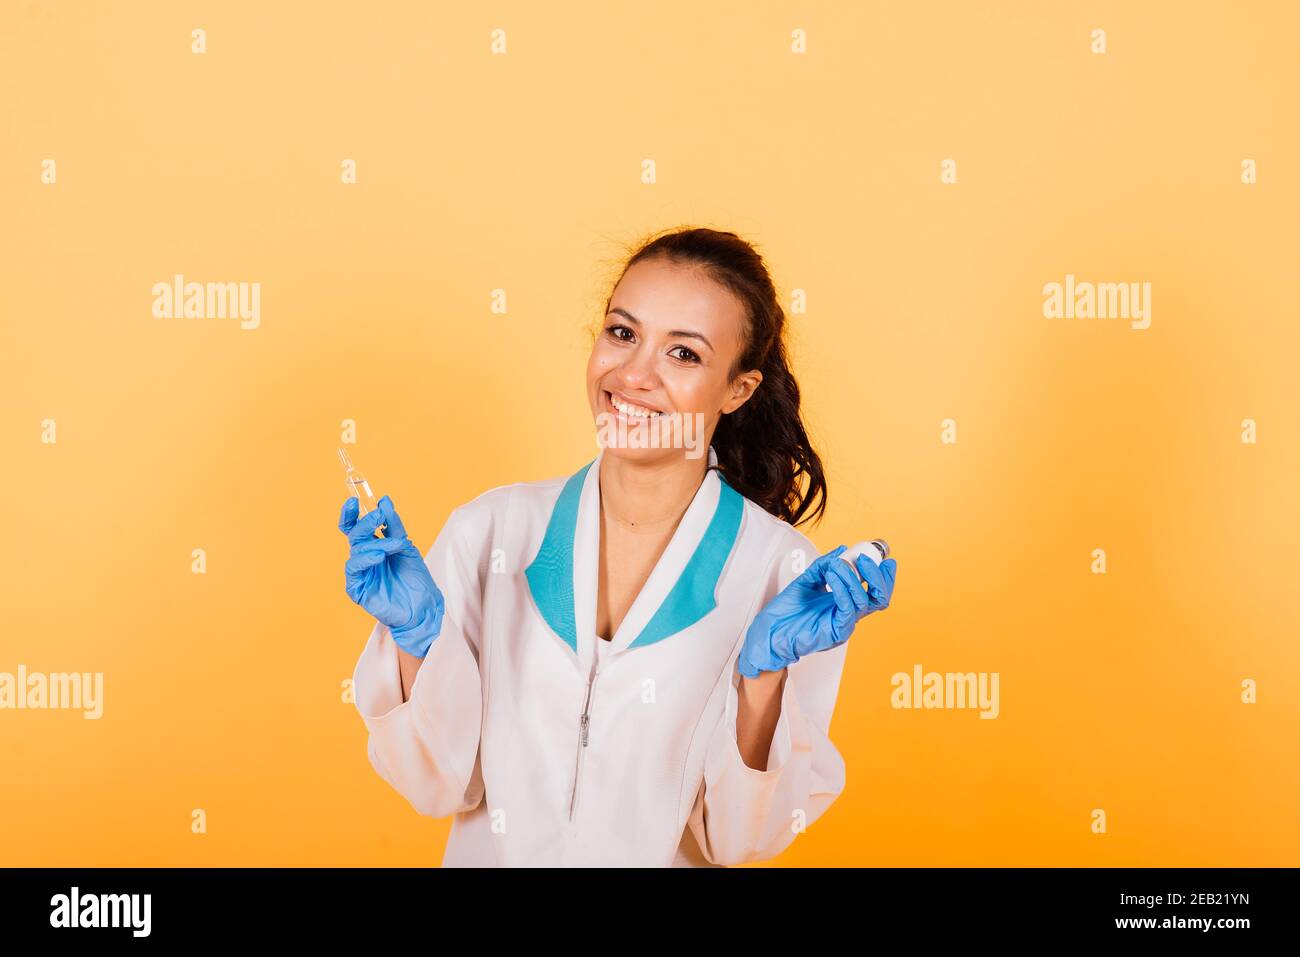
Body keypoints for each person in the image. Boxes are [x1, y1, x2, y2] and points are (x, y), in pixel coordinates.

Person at [338, 226, 899, 866]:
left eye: (683, 354)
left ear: (738, 390)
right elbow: (439, 786)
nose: (632, 375)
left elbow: (738, 841)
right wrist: (419, 644)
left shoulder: (784, 577)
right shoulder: (490, 532)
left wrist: (760, 680)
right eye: (623, 333)